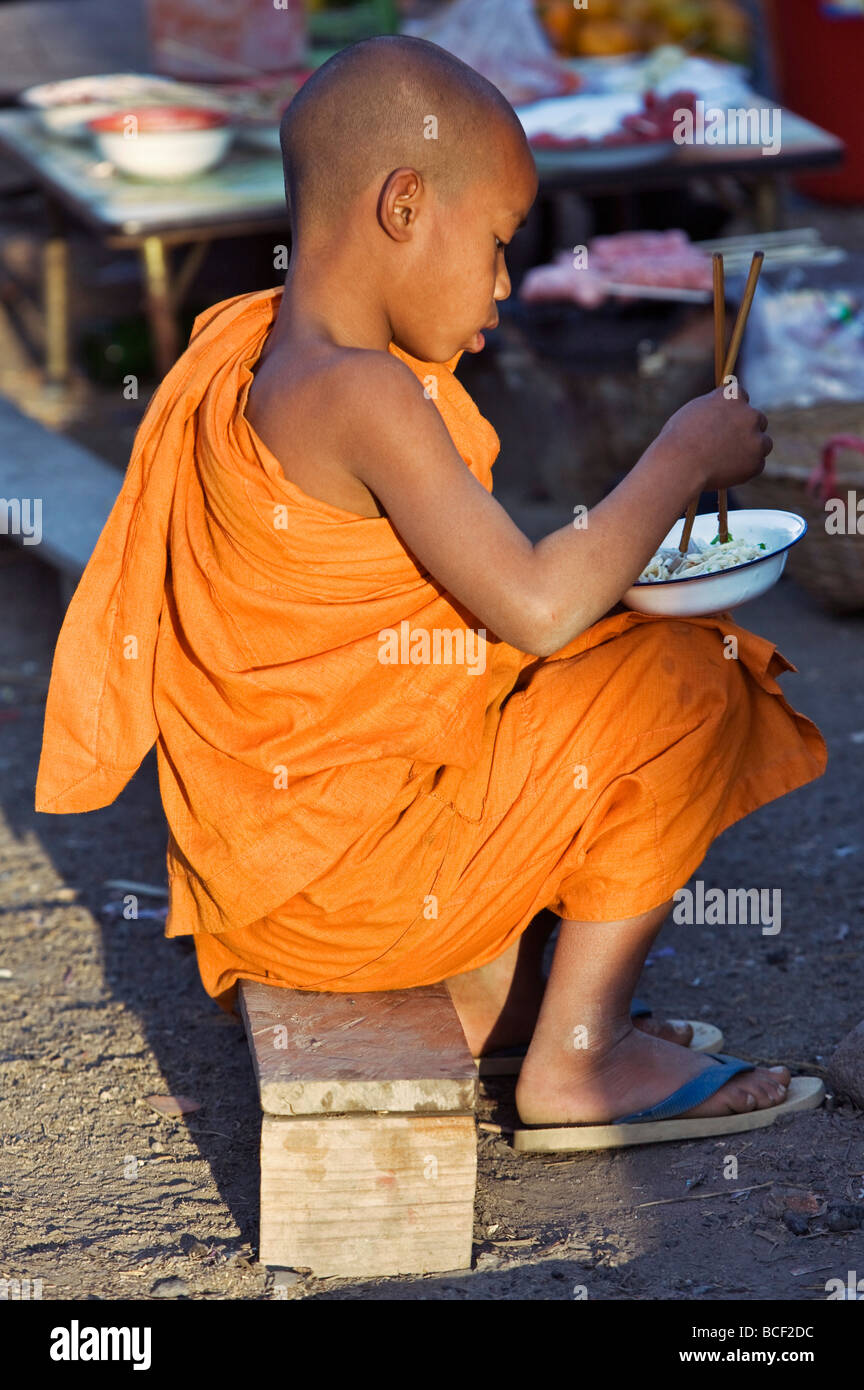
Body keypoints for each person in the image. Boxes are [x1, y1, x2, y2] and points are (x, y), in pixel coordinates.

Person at [35, 35, 827, 1141]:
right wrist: (682, 455)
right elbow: (541, 607)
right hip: (347, 894)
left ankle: (483, 997)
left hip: (293, 887)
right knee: (693, 670)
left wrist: (608, 571)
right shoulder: (365, 396)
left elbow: (491, 596)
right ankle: (579, 1061)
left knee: (607, 651)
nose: (506, 281)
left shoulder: (254, 349)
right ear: (404, 205)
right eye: (499, 243)